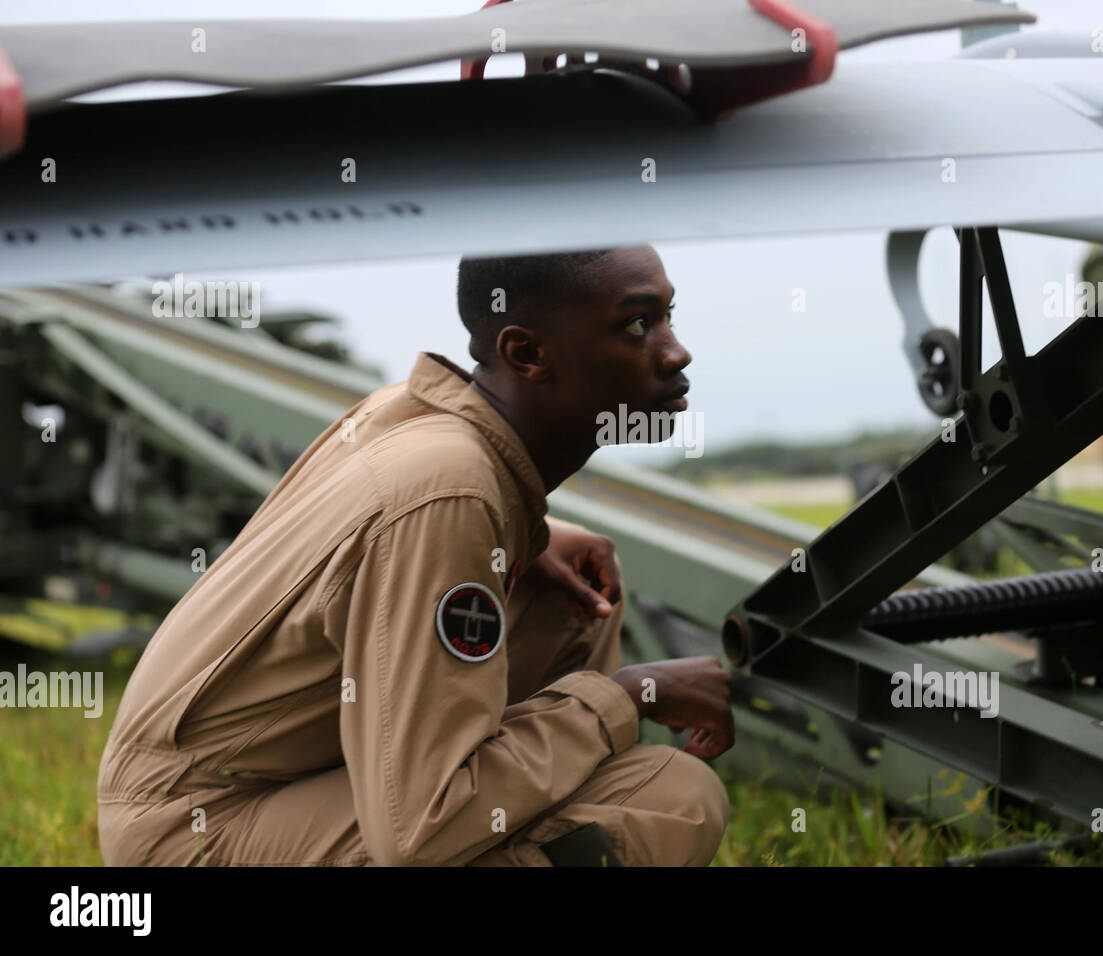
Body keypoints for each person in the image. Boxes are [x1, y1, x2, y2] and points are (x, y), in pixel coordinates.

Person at [97, 245, 733, 867]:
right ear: (528, 354)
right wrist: (628, 696)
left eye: (669, 317)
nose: (676, 350)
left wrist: (529, 535)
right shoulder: (449, 490)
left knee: (571, 599)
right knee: (670, 799)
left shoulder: (421, 424)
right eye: (637, 324)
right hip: (196, 829)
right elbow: (418, 831)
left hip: (221, 788)